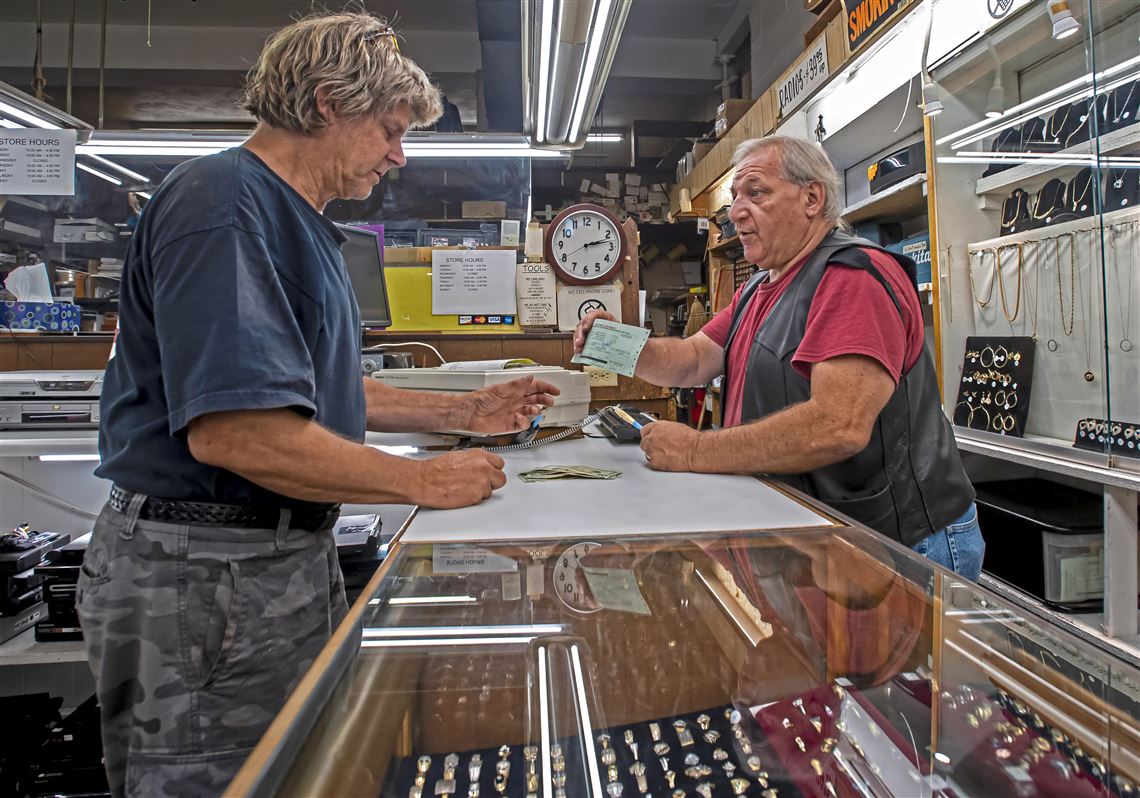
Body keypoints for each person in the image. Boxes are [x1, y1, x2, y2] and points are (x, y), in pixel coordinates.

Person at [77, 13, 558, 798]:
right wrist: (420, 483)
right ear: (330, 102)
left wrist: (464, 412)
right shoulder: (225, 205)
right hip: (203, 576)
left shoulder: (298, 221)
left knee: (297, 774)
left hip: (270, 561)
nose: (399, 156)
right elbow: (240, 433)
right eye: (390, 130)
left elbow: (317, 393)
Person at [574, 135, 981, 579]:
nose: (735, 213)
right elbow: (692, 360)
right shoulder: (759, 288)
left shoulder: (852, 278)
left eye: (756, 193)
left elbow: (837, 425)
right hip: (823, 543)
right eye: (735, 199)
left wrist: (694, 450)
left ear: (811, 198)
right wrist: (609, 344)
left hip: (897, 544)